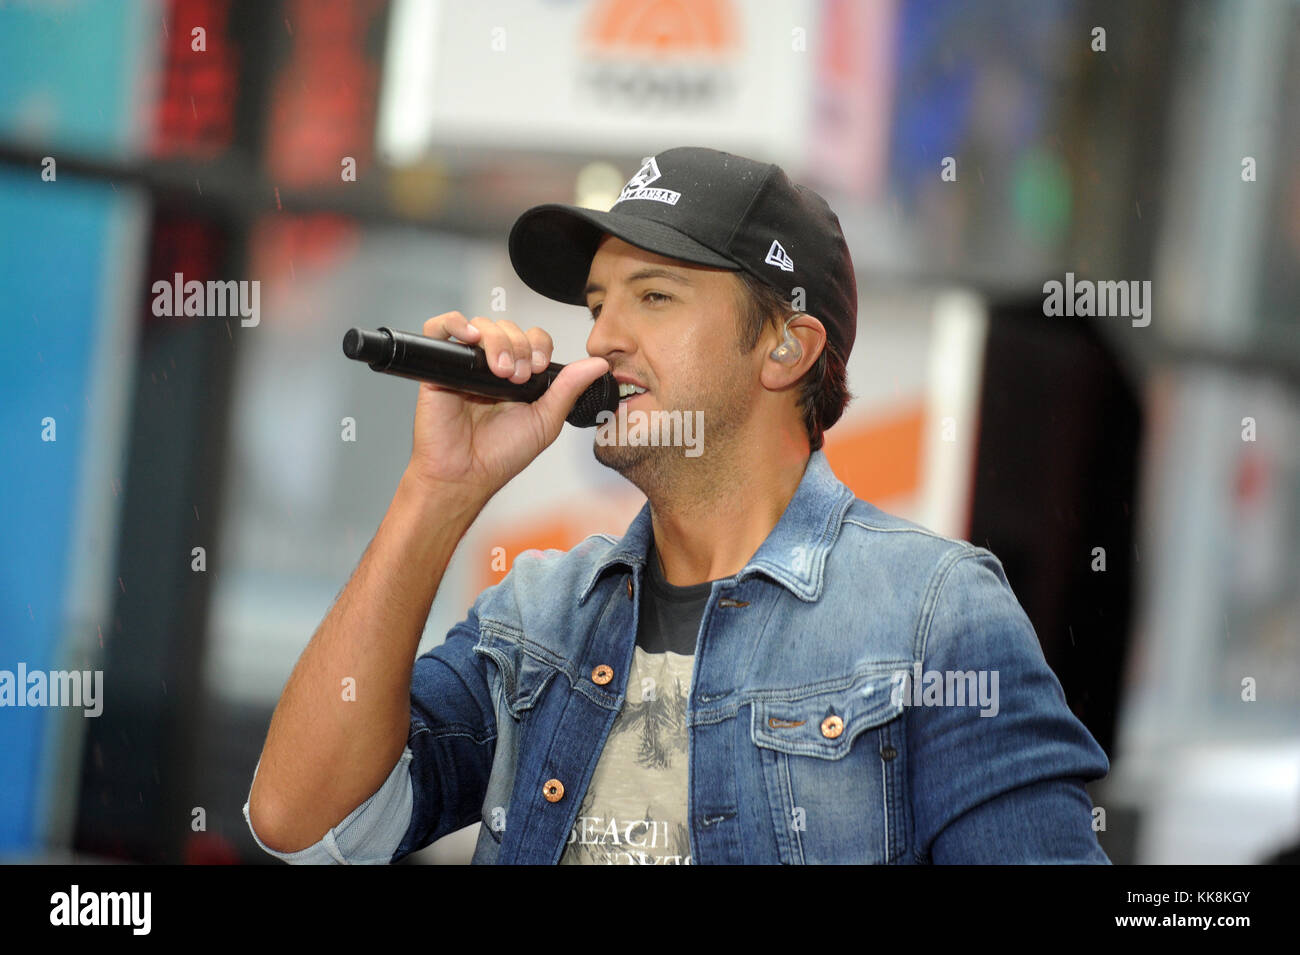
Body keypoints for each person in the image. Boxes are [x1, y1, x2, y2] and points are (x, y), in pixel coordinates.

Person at [243, 146, 1110, 864]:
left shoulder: (934, 615)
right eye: (596, 304)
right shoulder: (539, 614)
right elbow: (302, 823)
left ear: (785, 346)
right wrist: (438, 491)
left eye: (653, 296)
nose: (603, 338)